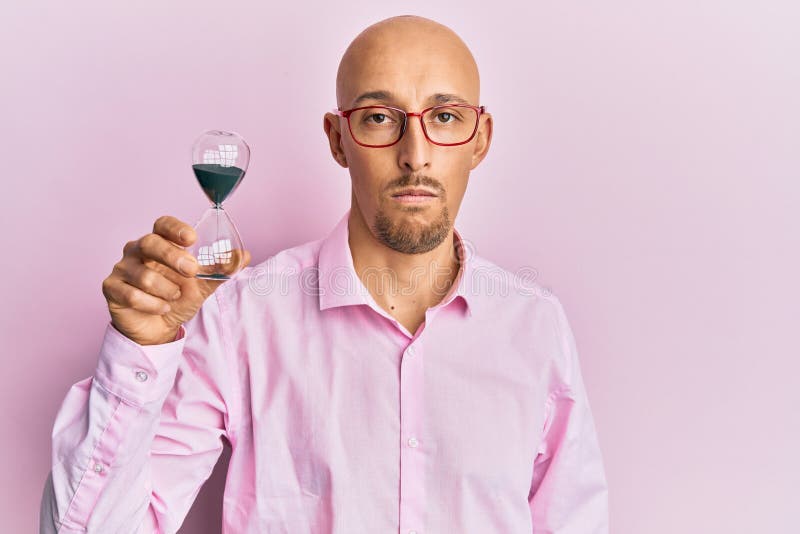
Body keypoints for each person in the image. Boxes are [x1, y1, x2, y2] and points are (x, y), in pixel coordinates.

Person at [40, 14, 609, 534]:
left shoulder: (535, 325)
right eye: (380, 118)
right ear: (338, 139)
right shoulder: (244, 317)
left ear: (479, 139)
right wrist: (140, 350)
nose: (416, 153)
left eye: (444, 116)